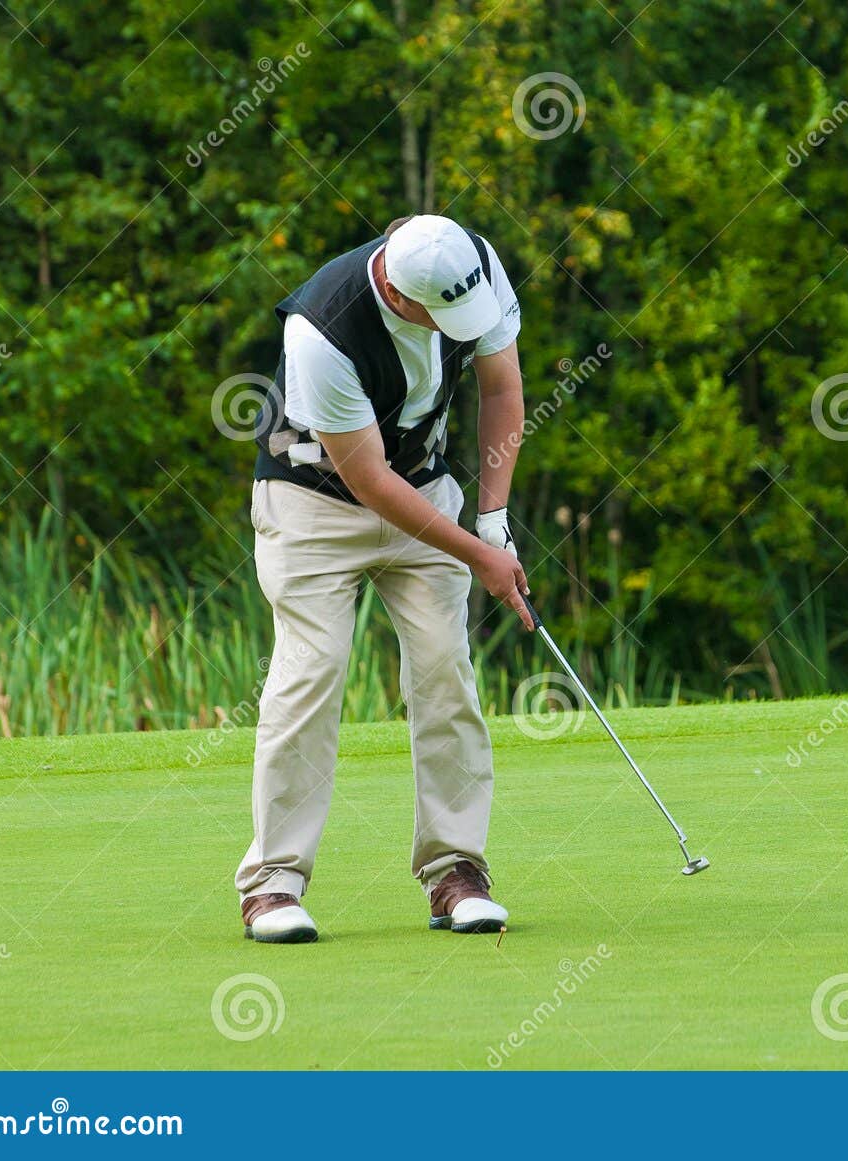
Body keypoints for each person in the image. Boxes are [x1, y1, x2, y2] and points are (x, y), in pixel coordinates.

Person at [235, 214, 532, 943]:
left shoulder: (471, 265)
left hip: (425, 488)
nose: (458, 327)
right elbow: (367, 478)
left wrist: (491, 520)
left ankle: (455, 871)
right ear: (399, 298)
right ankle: (273, 885)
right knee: (311, 671)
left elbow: (501, 391)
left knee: (444, 669)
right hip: (312, 502)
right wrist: (476, 553)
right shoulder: (320, 330)